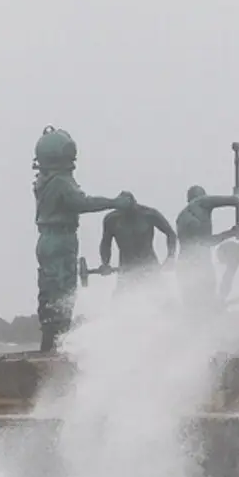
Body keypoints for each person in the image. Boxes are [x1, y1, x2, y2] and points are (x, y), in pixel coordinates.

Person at [32, 125, 134, 352]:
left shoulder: (44, 181)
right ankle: (57, 343)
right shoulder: (61, 182)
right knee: (63, 289)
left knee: (49, 288)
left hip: (47, 240)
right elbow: (82, 203)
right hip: (61, 239)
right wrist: (114, 202)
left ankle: (50, 341)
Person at [175, 185, 239, 312]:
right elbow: (234, 200)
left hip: (183, 264)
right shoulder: (202, 202)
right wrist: (238, 193)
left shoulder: (180, 217)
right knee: (207, 301)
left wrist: (231, 232)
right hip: (201, 263)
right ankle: (206, 325)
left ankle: (190, 327)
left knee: (190, 304)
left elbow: (203, 241)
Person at [98, 202, 177, 291]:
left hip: (149, 265)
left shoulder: (149, 214)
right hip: (126, 268)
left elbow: (170, 234)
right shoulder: (111, 219)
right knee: (121, 299)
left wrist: (170, 257)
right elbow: (106, 243)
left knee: (160, 296)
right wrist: (105, 263)